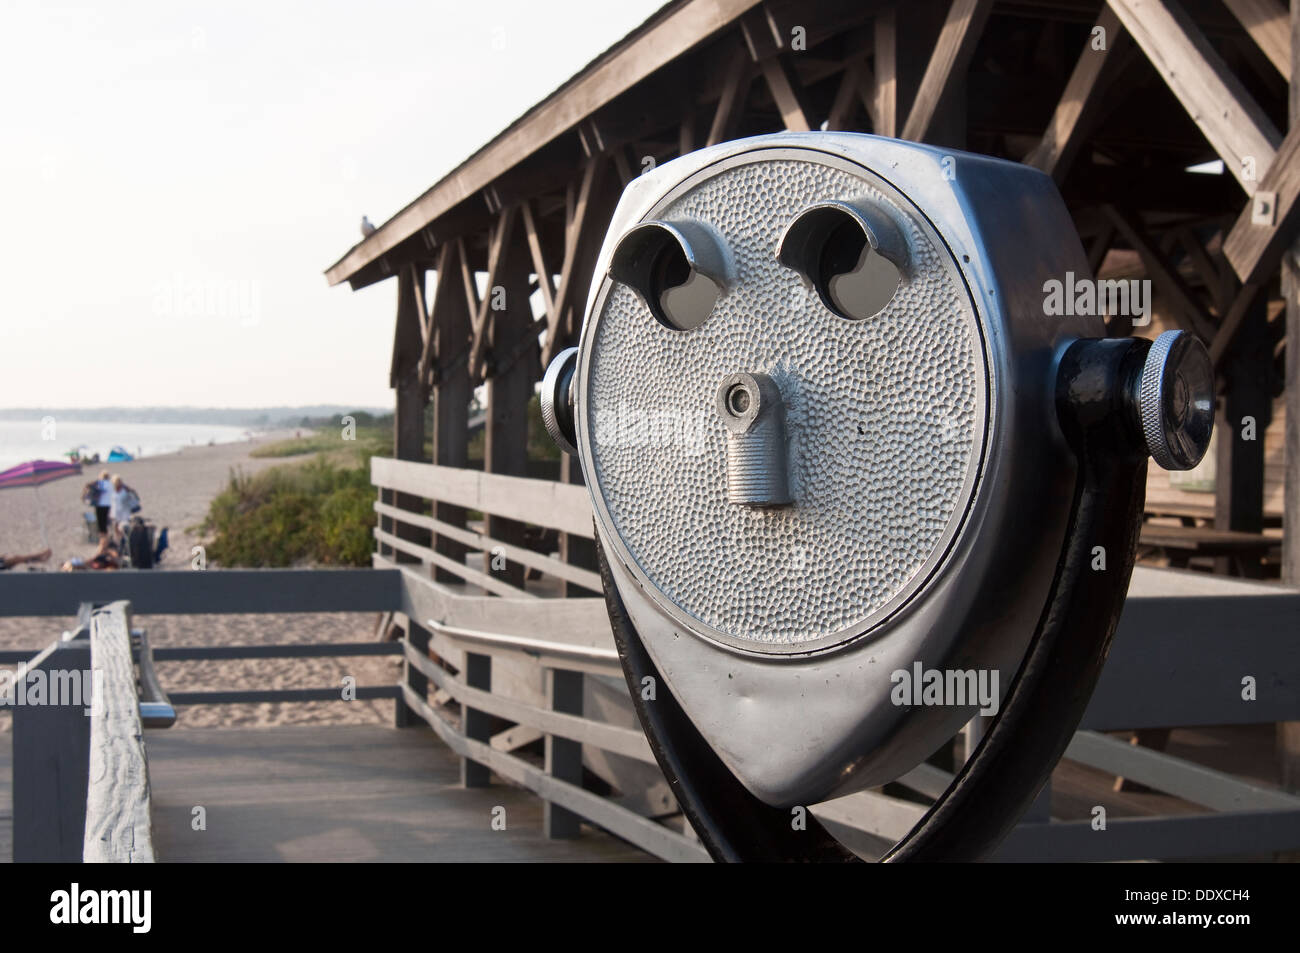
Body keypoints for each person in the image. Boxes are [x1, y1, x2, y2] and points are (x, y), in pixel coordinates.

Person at [88, 469, 113, 542]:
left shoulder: (99, 483)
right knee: (107, 523)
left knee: (101, 525)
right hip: (109, 506)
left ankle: (103, 540)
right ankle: (107, 539)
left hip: (100, 506)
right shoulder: (111, 484)